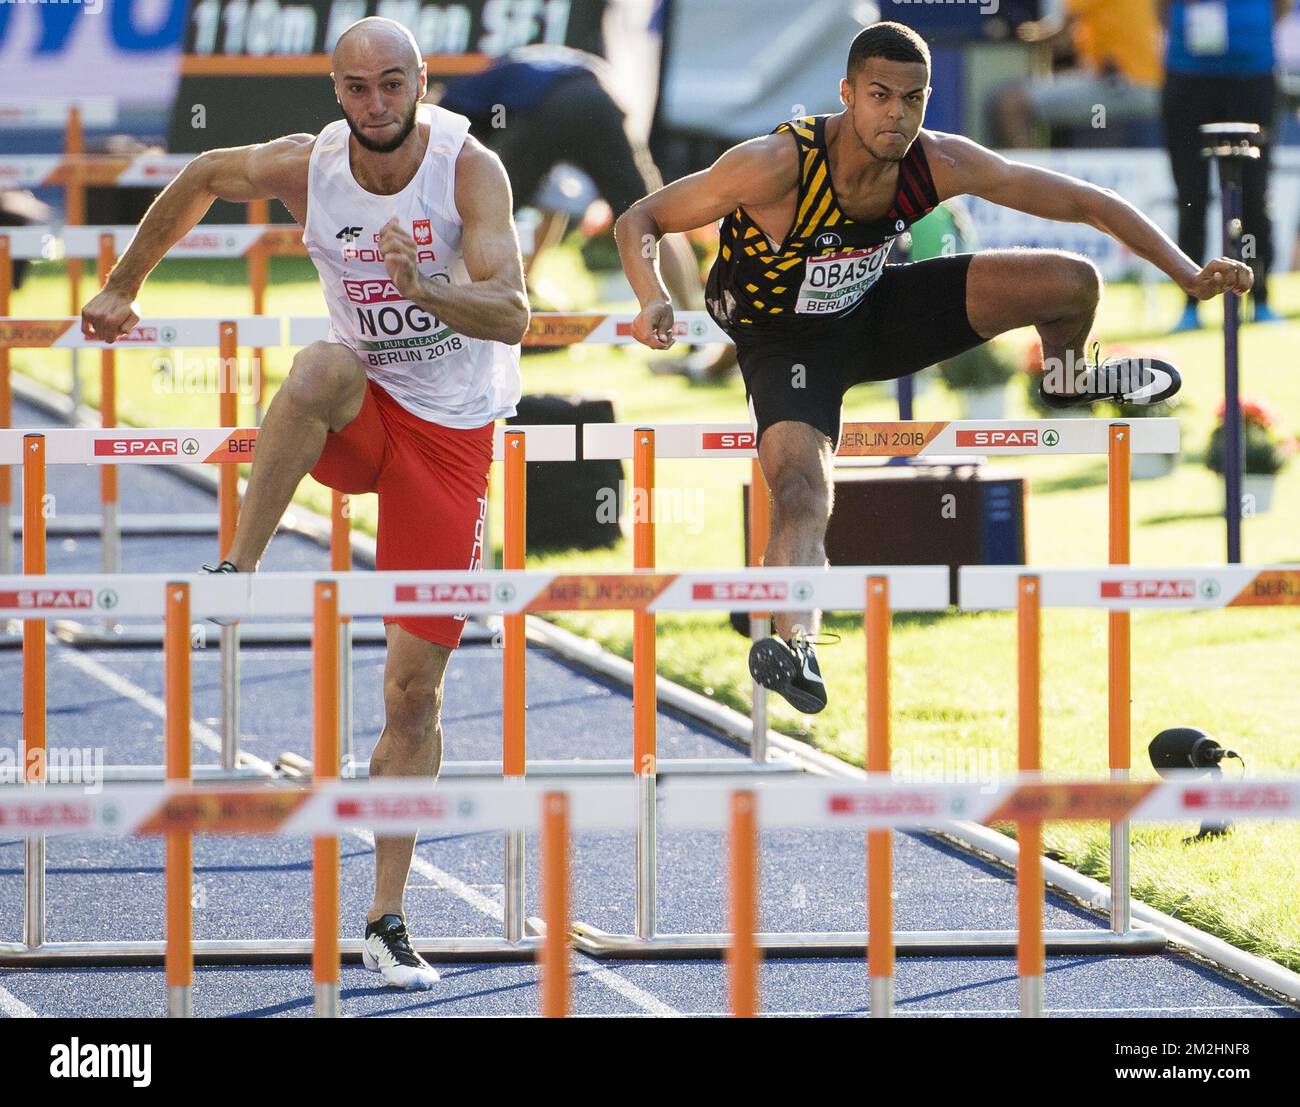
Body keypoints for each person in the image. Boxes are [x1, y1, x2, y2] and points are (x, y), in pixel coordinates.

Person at [616, 20, 1251, 716]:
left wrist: (1189, 274)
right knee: (801, 491)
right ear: (847, 94)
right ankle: (796, 647)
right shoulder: (775, 164)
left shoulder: (937, 160)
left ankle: (1066, 376)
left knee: (1073, 281)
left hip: (876, 310)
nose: (896, 115)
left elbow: (1084, 202)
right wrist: (651, 298)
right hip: (786, 342)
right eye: (880, 96)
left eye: (912, 99)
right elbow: (640, 219)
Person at [79, 17, 528, 990]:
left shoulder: (465, 168)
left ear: (422, 83)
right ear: (336, 91)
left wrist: (430, 288)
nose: (378, 106)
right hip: (360, 414)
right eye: (359, 89)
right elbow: (202, 172)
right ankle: (234, 576)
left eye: (394, 86)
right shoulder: (308, 163)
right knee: (321, 362)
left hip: (448, 448)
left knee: (413, 694)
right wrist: (122, 285)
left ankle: (387, 915)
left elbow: (514, 313)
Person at [437, 44, 736, 379]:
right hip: (600, 96)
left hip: (552, 106)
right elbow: (552, 202)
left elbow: (467, 188)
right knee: (650, 217)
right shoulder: (520, 71)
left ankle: (456, 318)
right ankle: (693, 325)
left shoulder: (451, 103)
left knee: (480, 209)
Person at [1161, 0, 1289, 332]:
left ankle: (1260, 299)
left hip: (1252, 75)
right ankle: (1190, 304)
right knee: (1191, 197)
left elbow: (1282, 6)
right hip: (1188, 77)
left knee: (1254, 196)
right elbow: (1159, 10)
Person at [990, 0, 1163, 148]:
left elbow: (1059, 37)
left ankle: (1027, 181)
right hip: (1148, 85)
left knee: (1010, 103)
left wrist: (1017, 31)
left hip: (1127, 87)